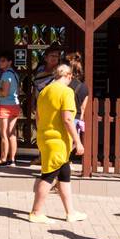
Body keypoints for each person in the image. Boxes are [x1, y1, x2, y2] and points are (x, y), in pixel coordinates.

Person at [27, 62, 84, 223]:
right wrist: (78, 141)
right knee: (48, 176)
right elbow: (67, 119)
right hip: (58, 140)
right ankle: (36, 212)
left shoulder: (45, 91)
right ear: (68, 76)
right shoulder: (66, 92)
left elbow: (37, 116)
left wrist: (42, 132)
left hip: (45, 138)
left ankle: (70, 212)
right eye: (71, 77)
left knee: (65, 174)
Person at [0, 53, 22, 166]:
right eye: (0, 60)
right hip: (15, 105)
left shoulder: (6, 75)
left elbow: (4, 93)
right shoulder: (15, 74)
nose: (0, 63)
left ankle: (3, 158)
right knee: (12, 133)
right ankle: (12, 159)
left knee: (4, 134)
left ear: (10, 62)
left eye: (3, 60)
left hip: (5, 106)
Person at [66, 52, 90, 158]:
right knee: (73, 142)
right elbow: (83, 107)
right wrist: (80, 118)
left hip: (63, 116)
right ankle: (66, 159)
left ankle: (62, 160)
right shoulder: (84, 87)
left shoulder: (63, 85)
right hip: (76, 117)